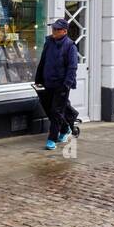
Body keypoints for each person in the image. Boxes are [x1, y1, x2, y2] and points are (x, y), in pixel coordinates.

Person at [35, 18, 79, 151]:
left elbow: (72, 67)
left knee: (56, 111)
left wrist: (66, 85)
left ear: (64, 31)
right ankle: (65, 128)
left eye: (57, 29)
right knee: (48, 108)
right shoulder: (49, 42)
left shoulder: (70, 46)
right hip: (48, 82)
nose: (53, 31)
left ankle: (52, 139)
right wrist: (38, 79)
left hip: (62, 85)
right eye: (53, 28)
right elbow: (43, 61)